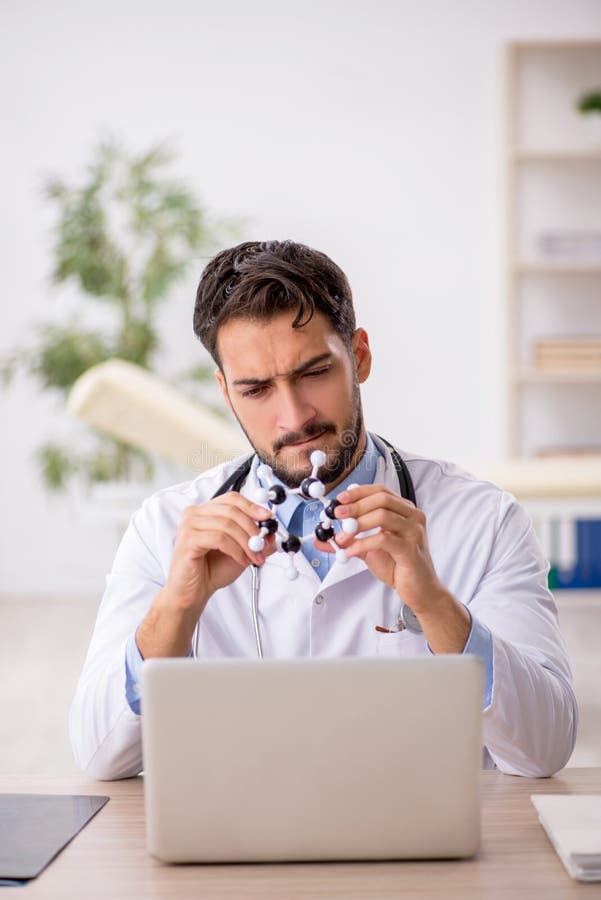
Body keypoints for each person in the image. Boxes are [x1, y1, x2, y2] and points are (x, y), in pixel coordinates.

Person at [70, 240, 577, 781]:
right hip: (237, 851)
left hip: (418, 856)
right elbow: (99, 758)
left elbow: (545, 749)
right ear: (225, 392)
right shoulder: (163, 529)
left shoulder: (484, 521)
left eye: (313, 373)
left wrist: (433, 605)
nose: (294, 416)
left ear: (358, 356)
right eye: (257, 389)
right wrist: (176, 608)